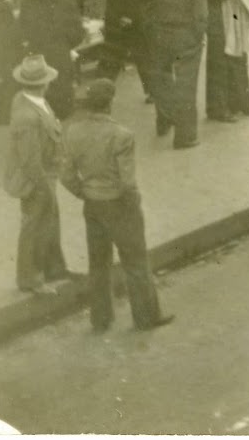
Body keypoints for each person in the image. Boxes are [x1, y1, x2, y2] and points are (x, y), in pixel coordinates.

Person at [59, 79, 173, 333]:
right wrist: (133, 205)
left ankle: (101, 319)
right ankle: (146, 317)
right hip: (120, 206)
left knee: (98, 263)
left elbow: (66, 175)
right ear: (109, 104)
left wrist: (85, 192)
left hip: (92, 205)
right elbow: (128, 183)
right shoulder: (121, 136)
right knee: (135, 262)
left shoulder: (73, 132)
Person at [3, 54, 77, 294]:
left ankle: (54, 268)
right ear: (44, 83)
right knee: (34, 225)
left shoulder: (30, 101)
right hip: (38, 178)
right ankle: (29, 278)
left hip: (46, 173)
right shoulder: (28, 116)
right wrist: (43, 185)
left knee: (50, 220)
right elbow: (30, 159)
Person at [142, 0, 206, 148]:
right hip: (186, 37)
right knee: (186, 85)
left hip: (159, 37)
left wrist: (153, 31)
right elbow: (201, 15)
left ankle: (164, 120)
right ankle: (185, 136)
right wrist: (197, 36)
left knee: (162, 79)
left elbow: (144, 10)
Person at [19, 0, 83, 121]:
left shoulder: (27, 5)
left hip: (36, 60)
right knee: (62, 113)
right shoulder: (68, 5)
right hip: (60, 59)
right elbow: (77, 36)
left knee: (38, 110)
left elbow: (22, 32)